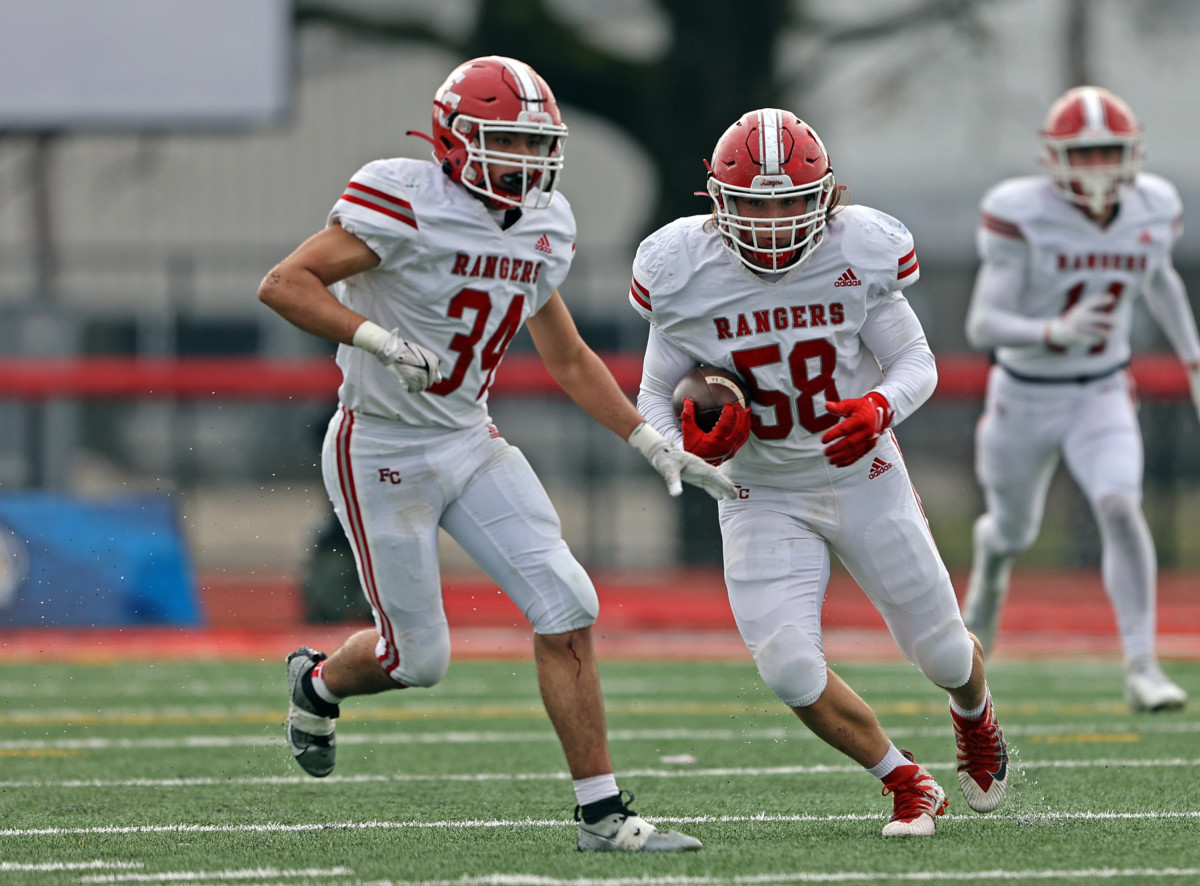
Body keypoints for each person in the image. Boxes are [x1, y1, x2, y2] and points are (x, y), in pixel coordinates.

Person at [258, 55, 736, 852]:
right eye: (505, 140)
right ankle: (316, 681)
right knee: (416, 661)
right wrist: (377, 339)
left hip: (468, 437)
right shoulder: (404, 197)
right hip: (380, 444)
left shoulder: (545, 226)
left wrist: (648, 437)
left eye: (535, 143)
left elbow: (569, 357)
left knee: (568, 604)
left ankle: (602, 815)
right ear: (453, 138)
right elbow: (285, 283)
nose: (524, 159)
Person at [628, 108, 1009, 837]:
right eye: (754, 206)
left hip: (862, 473)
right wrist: (679, 443)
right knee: (788, 669)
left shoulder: (858, 249)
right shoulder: (682, 269)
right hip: (759, 488)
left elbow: (915, 362)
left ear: (827, 198)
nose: (773, 223)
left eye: (792, 204)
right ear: (717, 201)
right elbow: (653, 391)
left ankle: (974, 714)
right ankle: (906, 781)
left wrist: (879, 407)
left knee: (943, 650)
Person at [962, 85, 1200, 712]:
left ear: (1131, 153)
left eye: (1108, 152)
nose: (1097, 167)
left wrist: (1194, 360)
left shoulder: (1153, 207)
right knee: (1012, 532)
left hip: (1101, 388)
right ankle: (991, 564)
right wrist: (1053, 332)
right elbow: (982, 323)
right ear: (1055, 158)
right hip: (1024, 393)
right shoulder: (1022, 211)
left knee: (1119, 504)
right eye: (1085, 153)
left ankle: (1142, 665)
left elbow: (1161, 280)